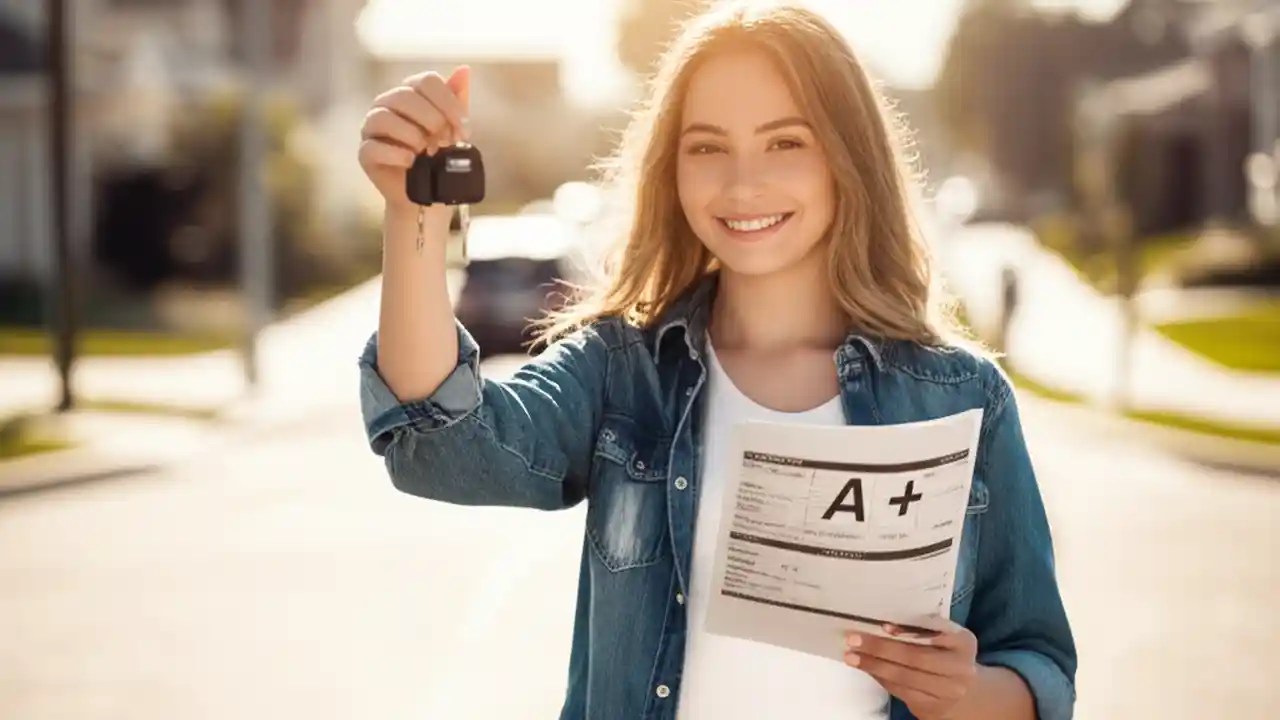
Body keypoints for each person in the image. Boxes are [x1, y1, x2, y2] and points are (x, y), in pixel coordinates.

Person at [354, 2, 1076, 719]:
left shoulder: (962, 397)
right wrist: (413, 214)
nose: (742, 183)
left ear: (847, 158)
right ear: (671, 170)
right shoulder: (622, 370)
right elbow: (441, 443)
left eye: (785, 142)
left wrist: (965, 694)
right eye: (706, 147)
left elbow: (1037, 665)